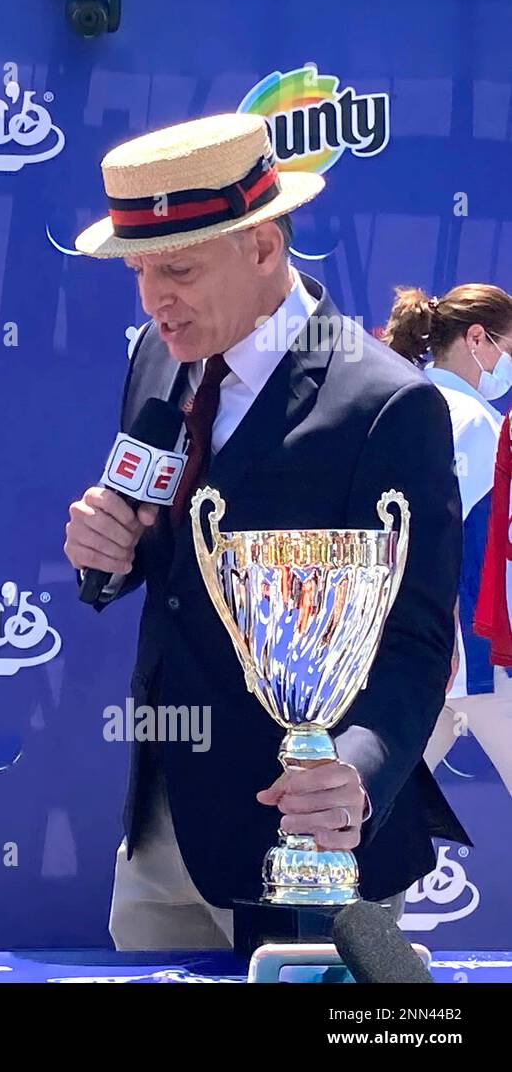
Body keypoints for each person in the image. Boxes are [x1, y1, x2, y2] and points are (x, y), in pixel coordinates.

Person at [63, 113, 469, 950]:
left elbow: (418, 639)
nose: (152, 299)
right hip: (160, 832)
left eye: (177, 268)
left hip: (314, 842)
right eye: (139, 270)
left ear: (262, 248)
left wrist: (352, 774)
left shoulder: (387, 404)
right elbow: (163, 543)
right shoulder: (156, 353)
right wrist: (108, 550)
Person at [383, 285, 512, 796]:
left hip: (420, 656)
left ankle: (326, 876)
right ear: (477, 338)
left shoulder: (407, 405)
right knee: (381, 809)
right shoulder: (477, 423)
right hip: (479, 658)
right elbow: (450, 540)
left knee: (382, 812)